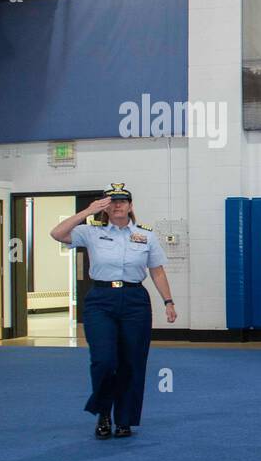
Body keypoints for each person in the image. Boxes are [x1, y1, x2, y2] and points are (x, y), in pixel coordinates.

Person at [49, 185, 177, 438]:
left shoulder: (145, 235)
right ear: (106, 207)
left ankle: (125, 420)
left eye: (122, 202)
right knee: (104, 361)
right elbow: (57, 233)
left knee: (132, 362)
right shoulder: (90, 232)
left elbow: (157, 271)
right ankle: (103, 413)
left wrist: (168, 301)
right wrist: (87, 211)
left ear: (130, 206)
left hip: (134, 300)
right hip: (101, 300)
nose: (118, 206)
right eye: (112, 202)